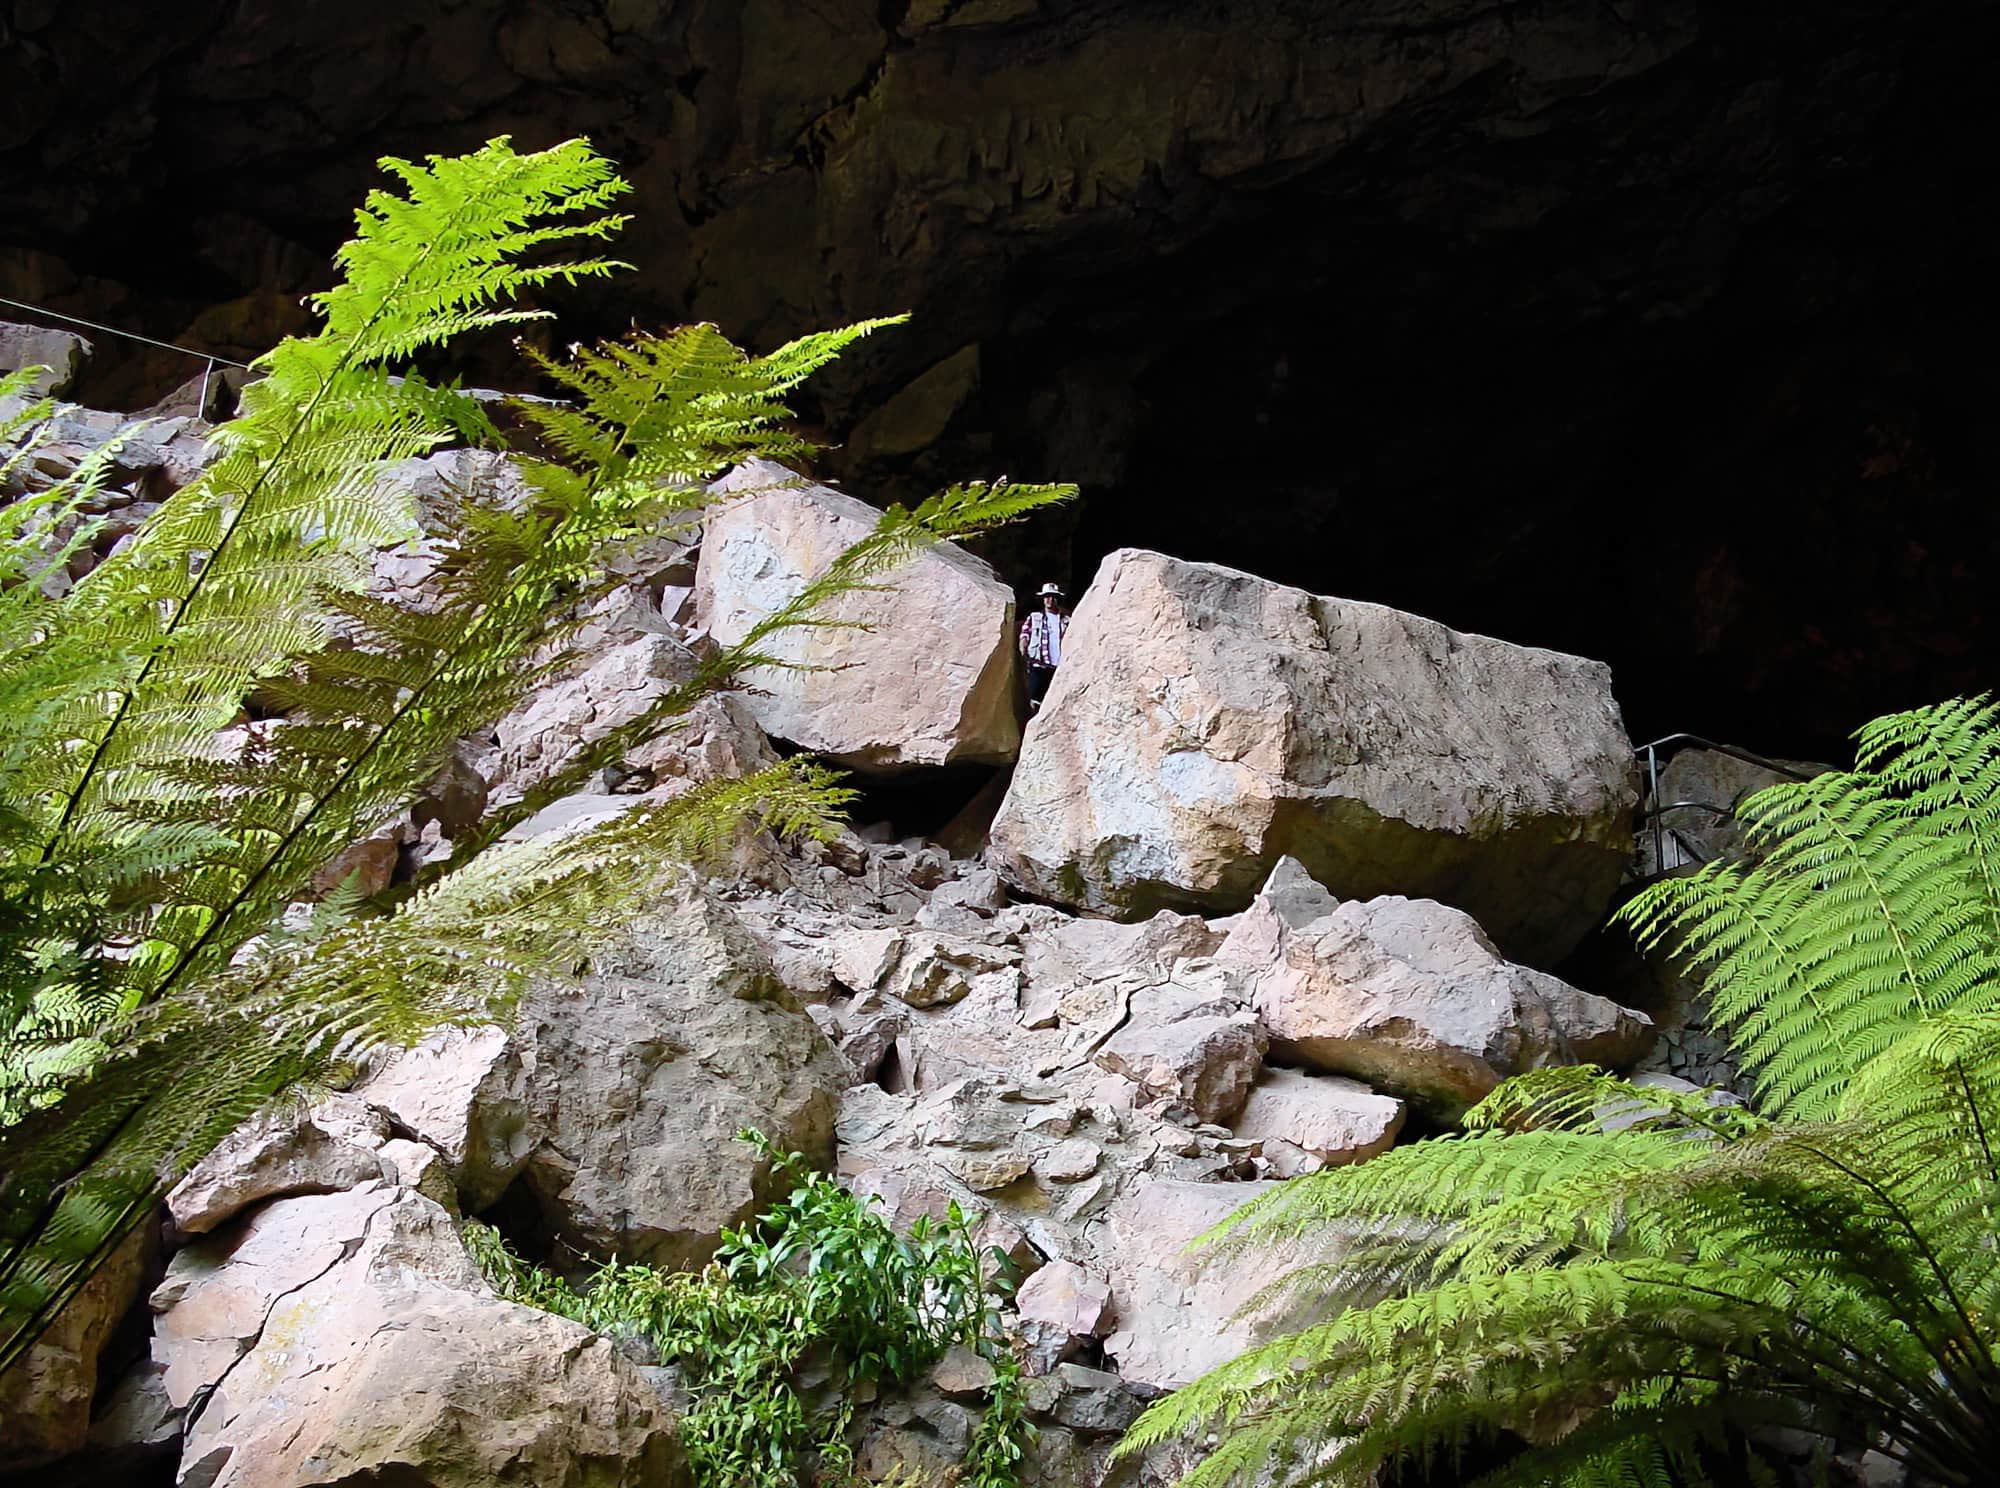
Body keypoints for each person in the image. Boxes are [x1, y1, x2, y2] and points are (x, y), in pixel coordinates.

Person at [1018, 582, 1069, 711]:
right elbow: (1025, 633)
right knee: (1035, 698)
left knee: (1053, 701)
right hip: (1039, 664)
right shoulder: (1035, 617)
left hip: (1058, 667)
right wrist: (1023, 645)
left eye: (1053, 596)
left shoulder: (1066, 620)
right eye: (1047, 596)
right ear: (1043, 599)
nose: (1050, 600)